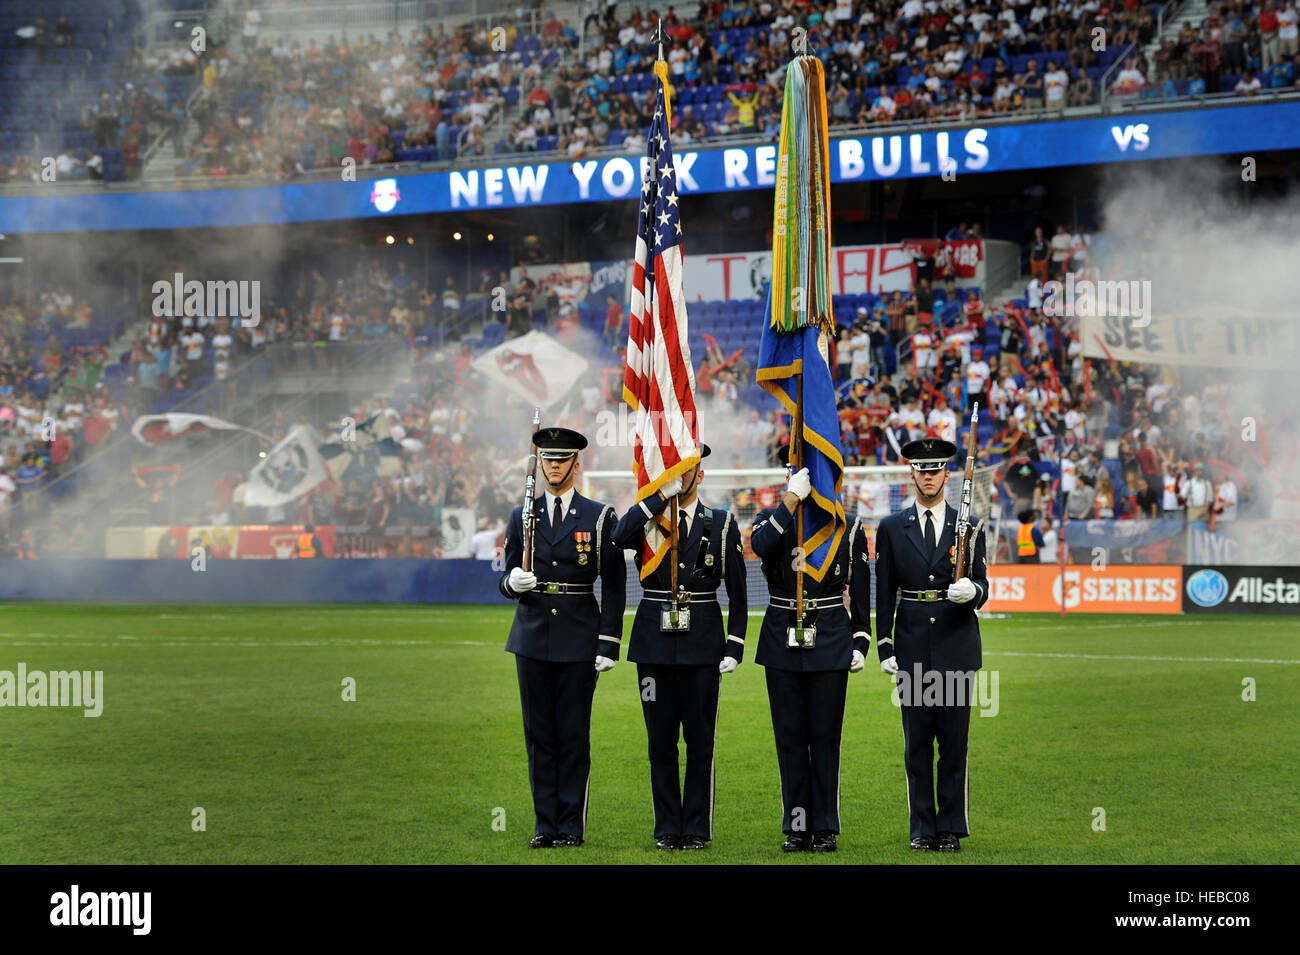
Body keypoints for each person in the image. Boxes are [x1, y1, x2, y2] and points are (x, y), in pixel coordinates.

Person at [611, 444, 748, 851]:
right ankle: (667, 827)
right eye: (673, 468)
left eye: (687, 470)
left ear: (699, 475)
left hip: (703, 644)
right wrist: (657, 495)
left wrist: (734, 646)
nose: (680, 475)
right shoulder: (649, 521)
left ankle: (696, 828)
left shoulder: (721, 524)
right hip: (653, 645)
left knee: (701, 740)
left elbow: (739, 593)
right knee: (660, 741)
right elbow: (619, 537)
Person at [498, 426, 627, 849]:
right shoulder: (523, 515)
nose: (554, 465)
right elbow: (507, 574)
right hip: (532, 635)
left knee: (572, 733)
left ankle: (570, 823)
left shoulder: (599, 515)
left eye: (562, 459)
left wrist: (609, 640)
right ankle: (544, 823)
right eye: (548, 459)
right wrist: (511, 583)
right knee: (538, 734)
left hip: (578, 635)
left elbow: (613, 584)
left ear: (577, 463)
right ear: (541, 463)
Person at [749, 443, 872, 853]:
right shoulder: (770, 518)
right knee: (789, 737)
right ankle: (796, 827)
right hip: (783, 633)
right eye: (795, 467)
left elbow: (862, 590)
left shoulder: (846, 526)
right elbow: (762, 548)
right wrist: (790, 501)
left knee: (825, 736)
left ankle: (825, 827)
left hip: (831, 633)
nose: (803, 473)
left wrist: (861, 638)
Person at [874, 437, 989, 852]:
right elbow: (884, 594)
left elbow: (985, 584)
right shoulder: (891, 527)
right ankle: (922, 826)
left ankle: (951, 828)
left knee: (954, 745)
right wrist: (885, 647)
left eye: (936, 469)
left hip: (956, 644)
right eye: (922, 469)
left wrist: (971, 590)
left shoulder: (970, 526)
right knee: (917, 744)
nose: (928, 476)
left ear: (947, 474)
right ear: (912, 473)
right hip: (912, 646)